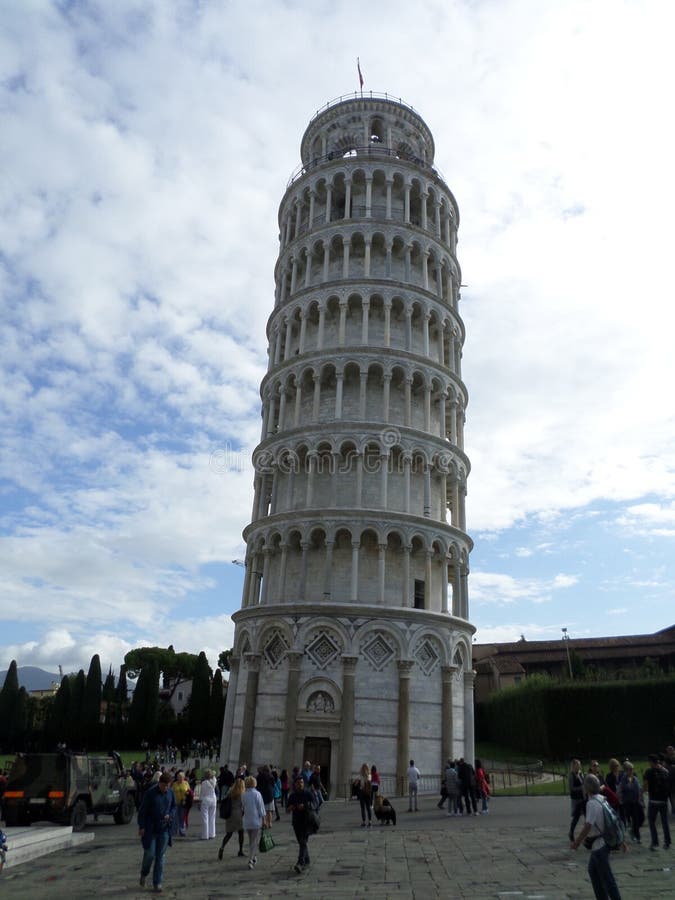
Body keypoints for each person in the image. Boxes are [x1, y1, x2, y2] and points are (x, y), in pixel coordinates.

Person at [570, 773, 625, 900]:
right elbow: (613, 820)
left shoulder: (591, 803)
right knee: (593, 871)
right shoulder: (601, 798)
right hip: (602, 844)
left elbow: (588, 825)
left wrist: (576, 842)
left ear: (588, 788)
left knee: (607, 878)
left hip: (599, 846)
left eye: (584, 786)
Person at [138, 771, 177, 894]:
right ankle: (144, 873)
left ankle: (157, 882)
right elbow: (142, 811)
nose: (165, 788)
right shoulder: (150, 793)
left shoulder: (170, 793)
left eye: (167, 786)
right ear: (159, 783)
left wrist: (170, 815)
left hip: (164, 829)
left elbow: (174, 807)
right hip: (150, 829)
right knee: (150, 854)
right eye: (164, 785)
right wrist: (142, 826)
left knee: (160, 857)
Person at [642, 754, 671, 850]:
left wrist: (642, 792)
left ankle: (655, 843)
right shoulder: (665, 771)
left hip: (653, 801)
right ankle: (667, 842)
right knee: (665, 822)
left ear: (651, 762)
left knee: (651, 821)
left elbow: (645, 786)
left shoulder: (648, 771)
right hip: (664, 801)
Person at [287, 775, 314, 873]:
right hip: (296, 822)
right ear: (295, 784)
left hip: (307, 822)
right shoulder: (292, 796)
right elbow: (287, 809)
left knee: (303, 842)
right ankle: (307, 860)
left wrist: (305, 806)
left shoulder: (308, 793)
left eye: (302, 782)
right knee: (302, 843)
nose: (300, 784)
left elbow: (315, 804)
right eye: (298, 783)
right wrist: (290, 808)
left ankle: (300, 863)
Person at [241, 775, 266, 870]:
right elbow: (261, 808)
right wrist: (264, 820)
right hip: (256, 820)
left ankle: (254, 856)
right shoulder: (257, 794)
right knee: (254, 841)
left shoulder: (243, 794)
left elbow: (243, 807)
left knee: (251, 840)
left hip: (247, 820)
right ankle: (251, 859)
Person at [217, 776, 245, 860]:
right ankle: (240, 850)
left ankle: (222, 847)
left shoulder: (230, 792)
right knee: (241, 833)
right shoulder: (242, 794)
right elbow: (244, 806)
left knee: (229, 833)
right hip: (239, 814)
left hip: (230, 814)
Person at [618, 761, 643, 843]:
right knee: (632, 820)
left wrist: (641, 800)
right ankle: (636, 837)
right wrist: (621, 801)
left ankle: (634, 832)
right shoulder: (623, 779)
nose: (632, 771)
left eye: (632, 769)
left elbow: (639, 789)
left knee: (639, 819)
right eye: (630, 769)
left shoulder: (635, 778)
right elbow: (620, 790)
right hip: (627, 803)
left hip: (635, 802)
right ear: (626, 770)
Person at [568, 758, 585, 842]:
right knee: (576, 817)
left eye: (579, 765)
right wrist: (580, 788)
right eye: (577, 765)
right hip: (576, 799)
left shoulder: (581, 773)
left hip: (583, 797)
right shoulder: (571, 775)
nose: (579, 766)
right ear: (574, 766)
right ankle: (571, 832)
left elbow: (583, 783)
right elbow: (571, 788)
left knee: (587, 815)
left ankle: (588, 833)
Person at [200, 769, 217, 840]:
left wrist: (200, 801)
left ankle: (205, 835)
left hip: (206, 799)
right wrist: (212, 774)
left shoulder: (204, 783)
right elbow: (214, 775)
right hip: (213, 799)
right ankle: (212, 834)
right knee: (212, 817)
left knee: (205, 818)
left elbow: (202, 793)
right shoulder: (214, 781)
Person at [171, 770, 190, 837]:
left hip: (183, 803)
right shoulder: (174, 784)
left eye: (181, 777)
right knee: (175, 817)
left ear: (183, 777)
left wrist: (186, 795)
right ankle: (174, 831)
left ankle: (182, 831)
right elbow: (171, 792)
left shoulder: (186, 783)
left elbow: (189, 791)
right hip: (176, 803)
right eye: (178, 777)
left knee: (182, 817)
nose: (179, 778)